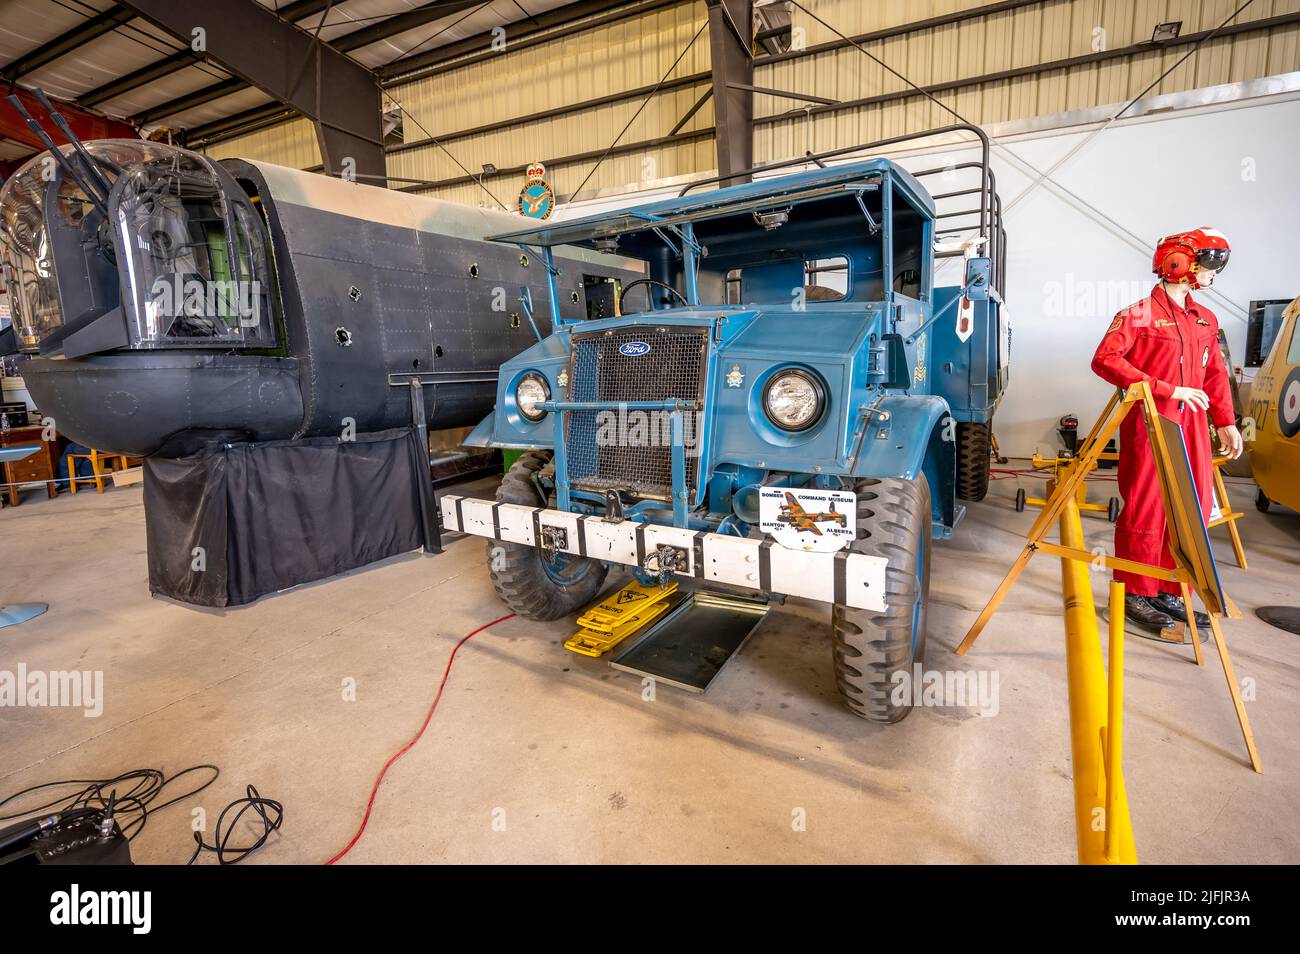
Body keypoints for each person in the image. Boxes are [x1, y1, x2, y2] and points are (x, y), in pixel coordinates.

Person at [1090, 228, 1243, 633]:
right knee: (1148, 505)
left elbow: (1215, 374)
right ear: (1178, 263)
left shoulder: (1205, 319)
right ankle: (1135, 590)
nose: (1214, 272)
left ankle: (1168, 586)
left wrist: (1225, 421)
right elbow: (1105, 359)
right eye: (1210, 262)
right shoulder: (1137, 314)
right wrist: (1164, 388)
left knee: (1188, 507)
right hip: (1151, 421)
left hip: (1192, 425)